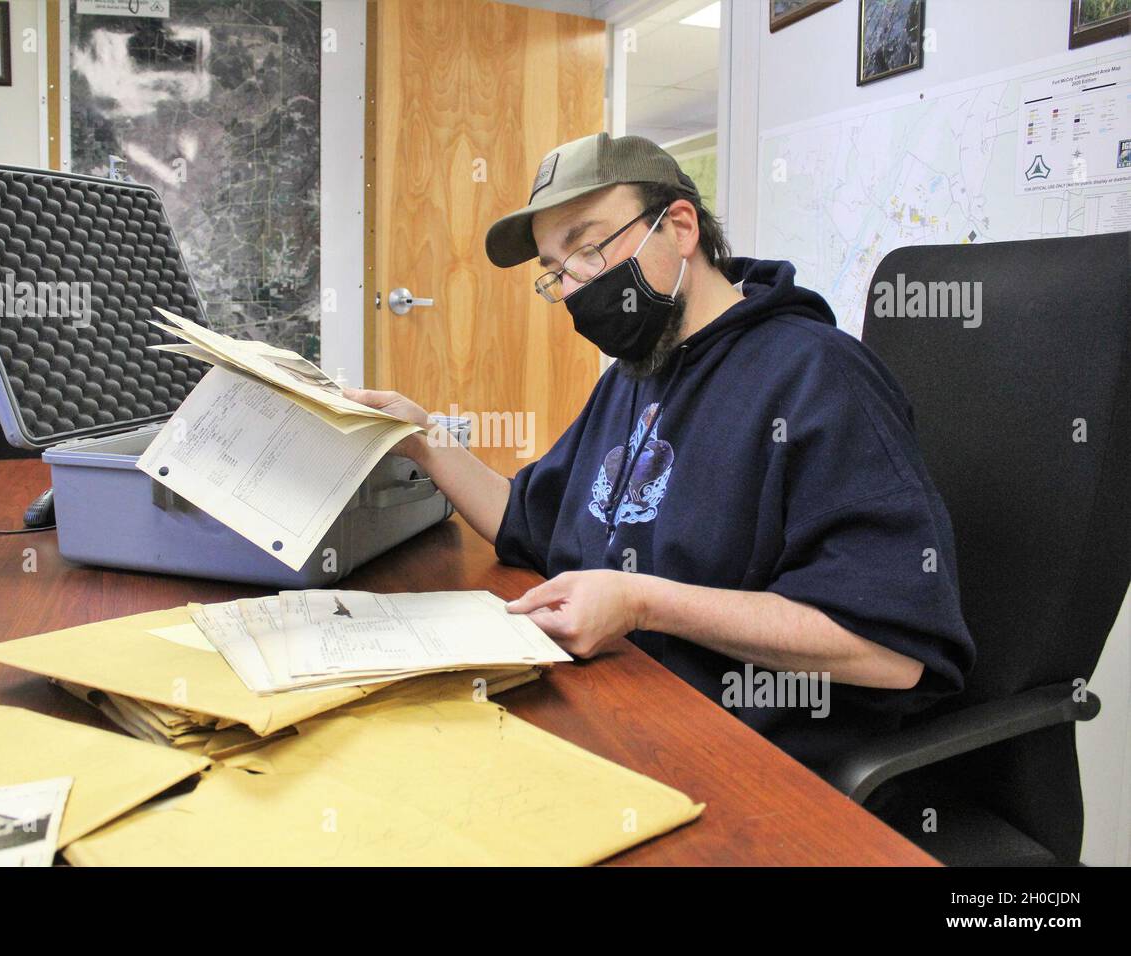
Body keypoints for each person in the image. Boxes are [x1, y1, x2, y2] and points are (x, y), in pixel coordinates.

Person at [345, 132, 974, 771]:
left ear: (678, 227)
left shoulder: (817, 378)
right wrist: (422, 438)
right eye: (555, 274)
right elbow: (528, 521)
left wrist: (644, 601)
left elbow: (888, 653)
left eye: (588, 248)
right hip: (617, 708)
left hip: (744, 758)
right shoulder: (634, 374)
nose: (574, 286)